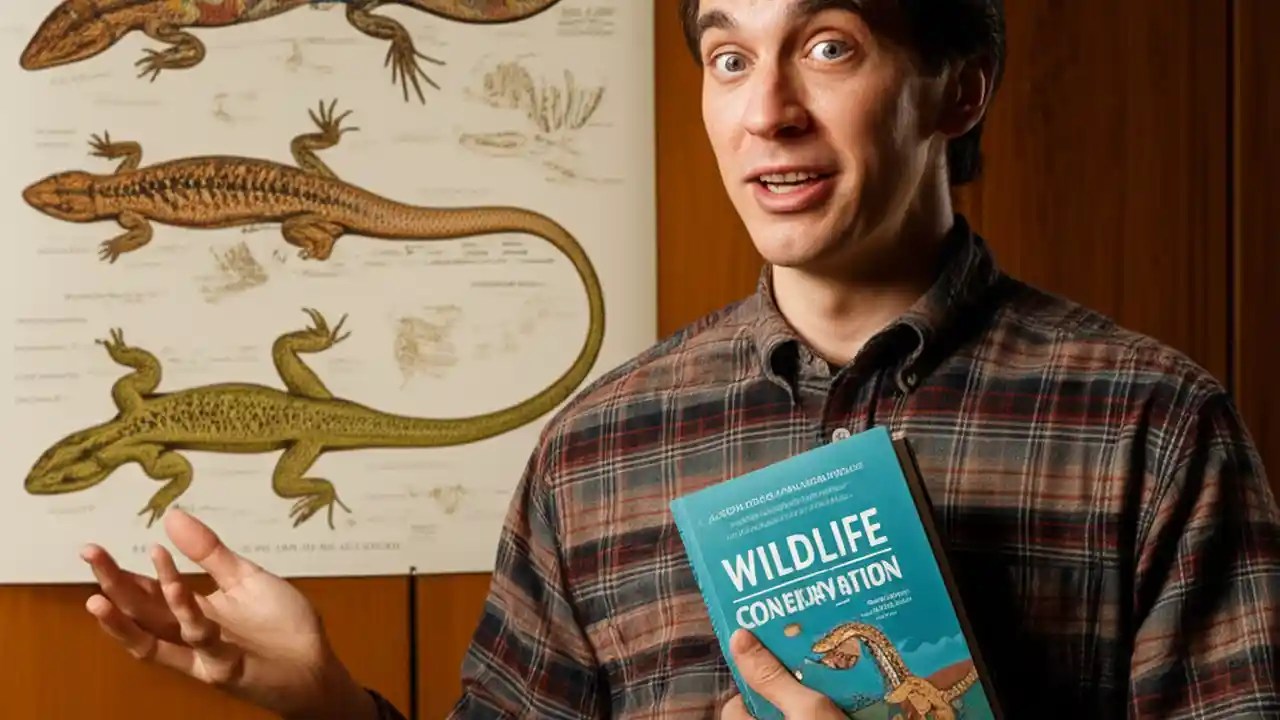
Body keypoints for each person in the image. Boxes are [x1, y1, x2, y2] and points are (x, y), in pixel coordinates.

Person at [77, 0, 1280, 717]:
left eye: (827, 46)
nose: (765, 113)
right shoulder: (594, 449)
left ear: (955, 93)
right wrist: (327, 702)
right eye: (727, 57)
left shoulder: (1149, 423)